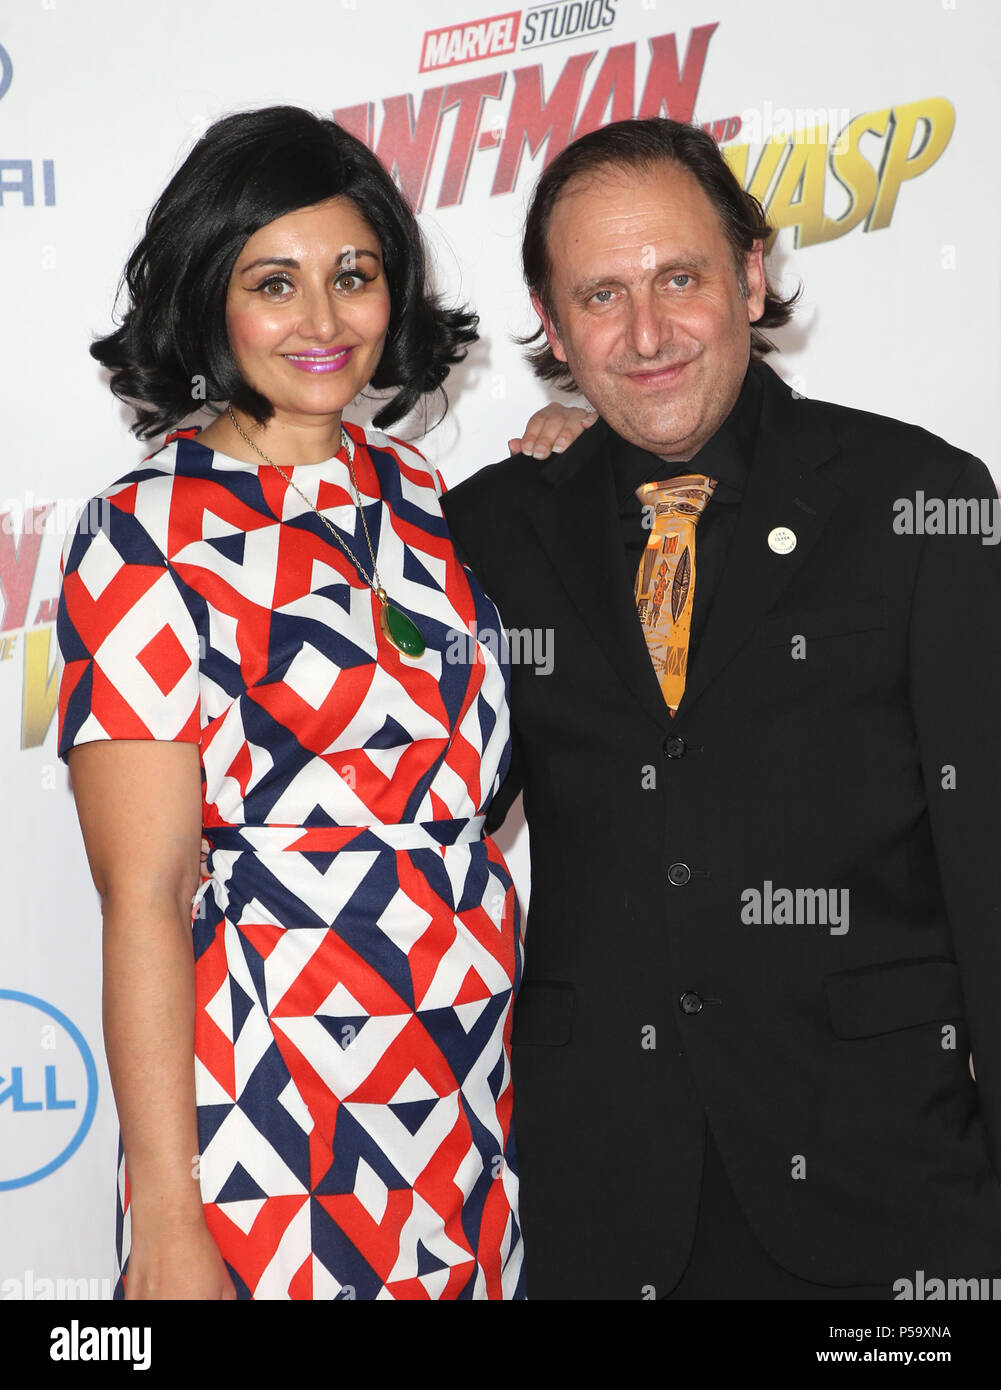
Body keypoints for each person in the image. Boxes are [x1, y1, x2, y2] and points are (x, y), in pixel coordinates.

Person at [439, 116, 1001, 1300]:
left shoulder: (924, 503)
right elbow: (438, 804)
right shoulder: (491, 529)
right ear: (548, 321)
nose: (644, 335)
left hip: (885, 1189)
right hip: (606, 1191)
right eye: (598, 295)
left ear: (749, 275)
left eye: (678, 279)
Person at [56, 105, 586, 1301]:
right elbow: (142, 902)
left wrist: (577, 448)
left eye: (352, 275)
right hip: (266, 1099)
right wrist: (173, 1213)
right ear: (209, 299)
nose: (321, 320)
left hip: (460, 1076)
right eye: (273, 281)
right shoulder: (145, 533)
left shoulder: (416, 491)